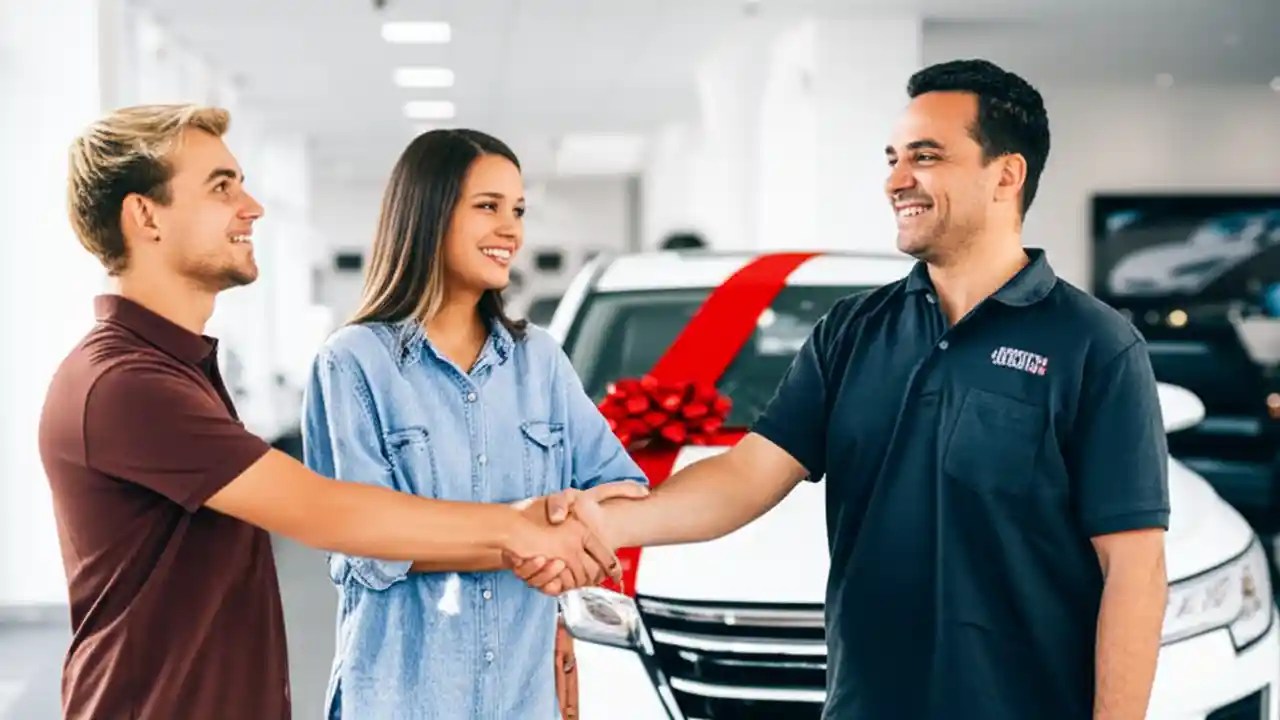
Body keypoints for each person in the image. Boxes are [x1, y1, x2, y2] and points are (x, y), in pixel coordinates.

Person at [528, 59, 1171, 720]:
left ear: (1006, 174)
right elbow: (747, 476)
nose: (897, 180)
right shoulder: (853, 332)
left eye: (925, 157)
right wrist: (605, 519)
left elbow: (1135, 572)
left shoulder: (1094, 346)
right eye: (892, 158)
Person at [37, 104, 630, 720]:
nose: (252, 206)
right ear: (144, 215)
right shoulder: (127, 385)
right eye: (221, 186)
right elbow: (330, 512)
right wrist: (523, 528)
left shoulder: (175, 369)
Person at [299, 128, 648, 720]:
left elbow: (623, 491)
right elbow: (371, 548)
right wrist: (533, 535)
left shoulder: (540, 360)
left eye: (517, 210)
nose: (511, 230)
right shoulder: (354, 362)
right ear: (428, 214)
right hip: (399, 701)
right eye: (487, 207)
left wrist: (567, 536)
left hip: (523, 698)